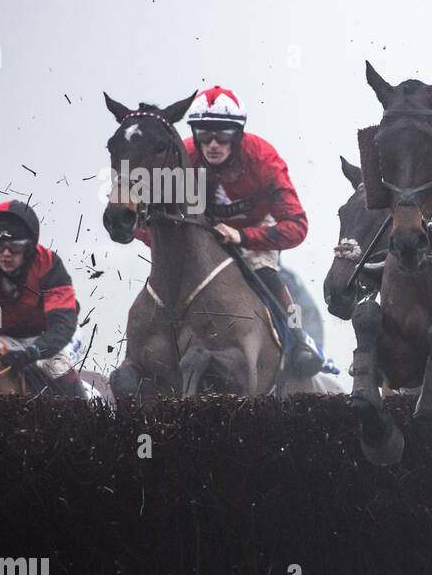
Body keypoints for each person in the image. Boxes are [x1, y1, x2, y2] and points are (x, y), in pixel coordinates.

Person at [137, 85, 321, 376]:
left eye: (222, 136)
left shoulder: (263, 158)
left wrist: (244, 236)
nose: (212, 145)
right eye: (204, 135)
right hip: (201, 231)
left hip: (252, 229)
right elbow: (150, 225)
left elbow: (297, 226)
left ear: (238, 135)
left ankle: (299, 339)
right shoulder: (183, 158)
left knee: (270, 277)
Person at [0, 200, 86, 397]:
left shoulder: (48, 264)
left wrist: (34, 351)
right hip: (9, 338)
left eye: (14, 247)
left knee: (54, 364)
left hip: (55, 334)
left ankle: (86, 415)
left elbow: (62, 325)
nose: (5, 255)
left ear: (29, 247)